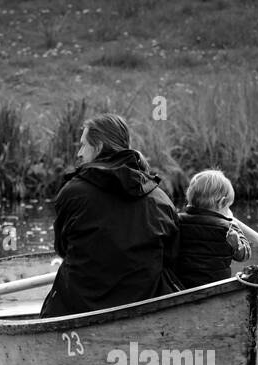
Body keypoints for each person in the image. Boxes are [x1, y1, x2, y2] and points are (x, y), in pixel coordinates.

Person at [40, 114, 180, 318]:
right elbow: (171, 257)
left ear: (98, 147)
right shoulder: (161, 199)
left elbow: (62, 248)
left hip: (78, 310)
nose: (79, 153)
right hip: (142, 310)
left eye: (83, 146)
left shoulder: (72, 193)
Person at [173, 169, 251, 290]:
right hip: (216, 288)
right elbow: (244, 256)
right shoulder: (228, 227)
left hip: (182, 286)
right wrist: (237, 244)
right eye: (228, 206)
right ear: (222, 202)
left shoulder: (177, 221)